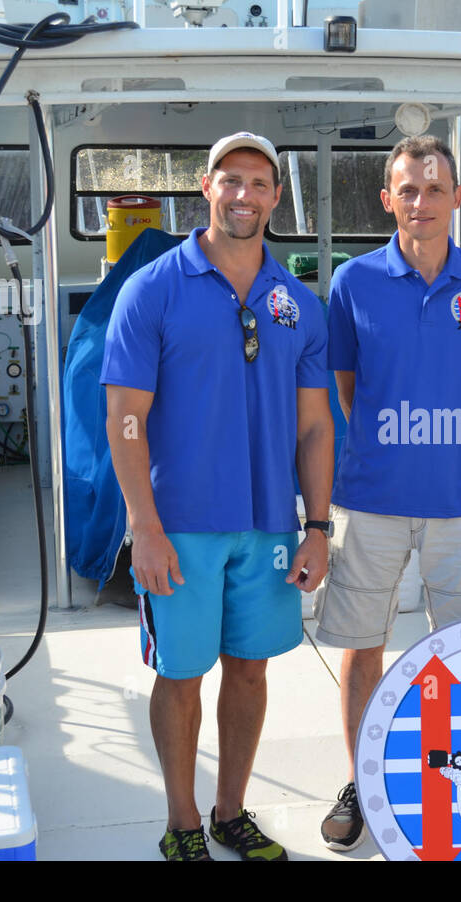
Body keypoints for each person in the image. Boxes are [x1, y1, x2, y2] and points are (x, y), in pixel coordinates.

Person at [102, 131, 334, 861]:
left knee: (250, 667)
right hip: (180, 528)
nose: (244, 194)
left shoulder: (296, 302)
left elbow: (315, 426)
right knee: (179, 673)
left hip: (267, 526)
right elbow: (125, 417)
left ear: (275, 196)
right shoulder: (155, 289)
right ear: (205, 187)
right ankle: (181, 824)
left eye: (259, 182)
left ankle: (231, 812)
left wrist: (319, 526)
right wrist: (144, 526)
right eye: (230, 180)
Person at [314, 135, 461, 851]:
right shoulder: (353, 283)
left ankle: (446, 786)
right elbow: (349, 390)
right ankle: (363, 784)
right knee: (363, 646)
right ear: (387, 199)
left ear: (458, 197)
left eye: (436, 190)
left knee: (456, 652)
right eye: (408, 190)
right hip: (370, 498)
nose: (422, 203)